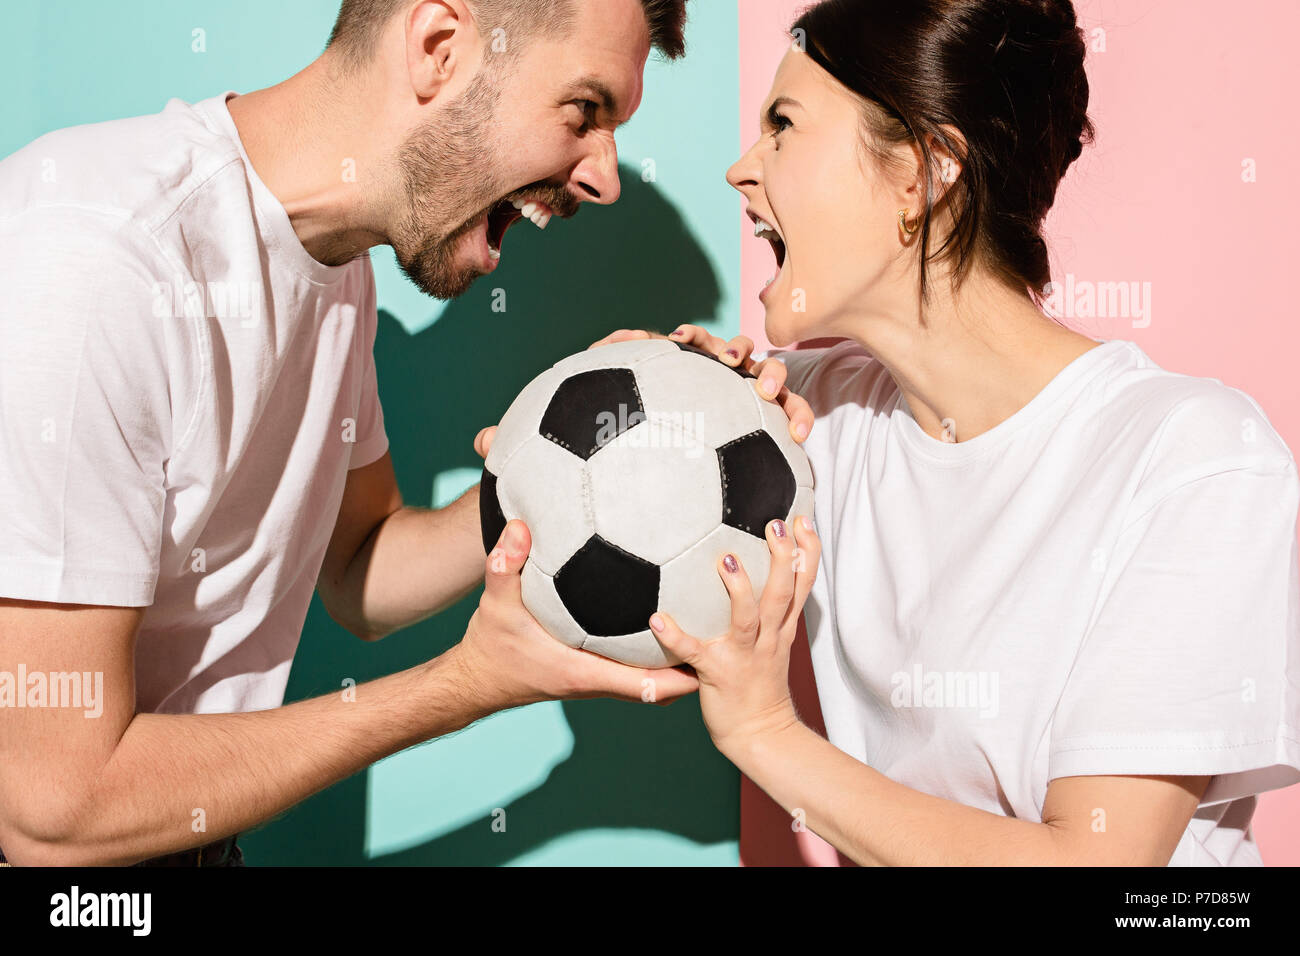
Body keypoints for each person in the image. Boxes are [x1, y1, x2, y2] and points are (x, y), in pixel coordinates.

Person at [0, 0, 813, 866]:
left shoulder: (335, 264)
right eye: (584, 111)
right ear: (438, 48)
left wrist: (580, 454)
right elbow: (55, 808)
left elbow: (362, 570)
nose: (604, 179)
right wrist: (465, 686)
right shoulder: (97, 262)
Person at [657, 0, 1300, 865]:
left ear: (924, 174)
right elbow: (593, 489)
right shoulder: (804, 419)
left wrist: (765, 732)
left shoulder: (1192, 460)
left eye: (784, 127)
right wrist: (635, 389)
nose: (741, 168)